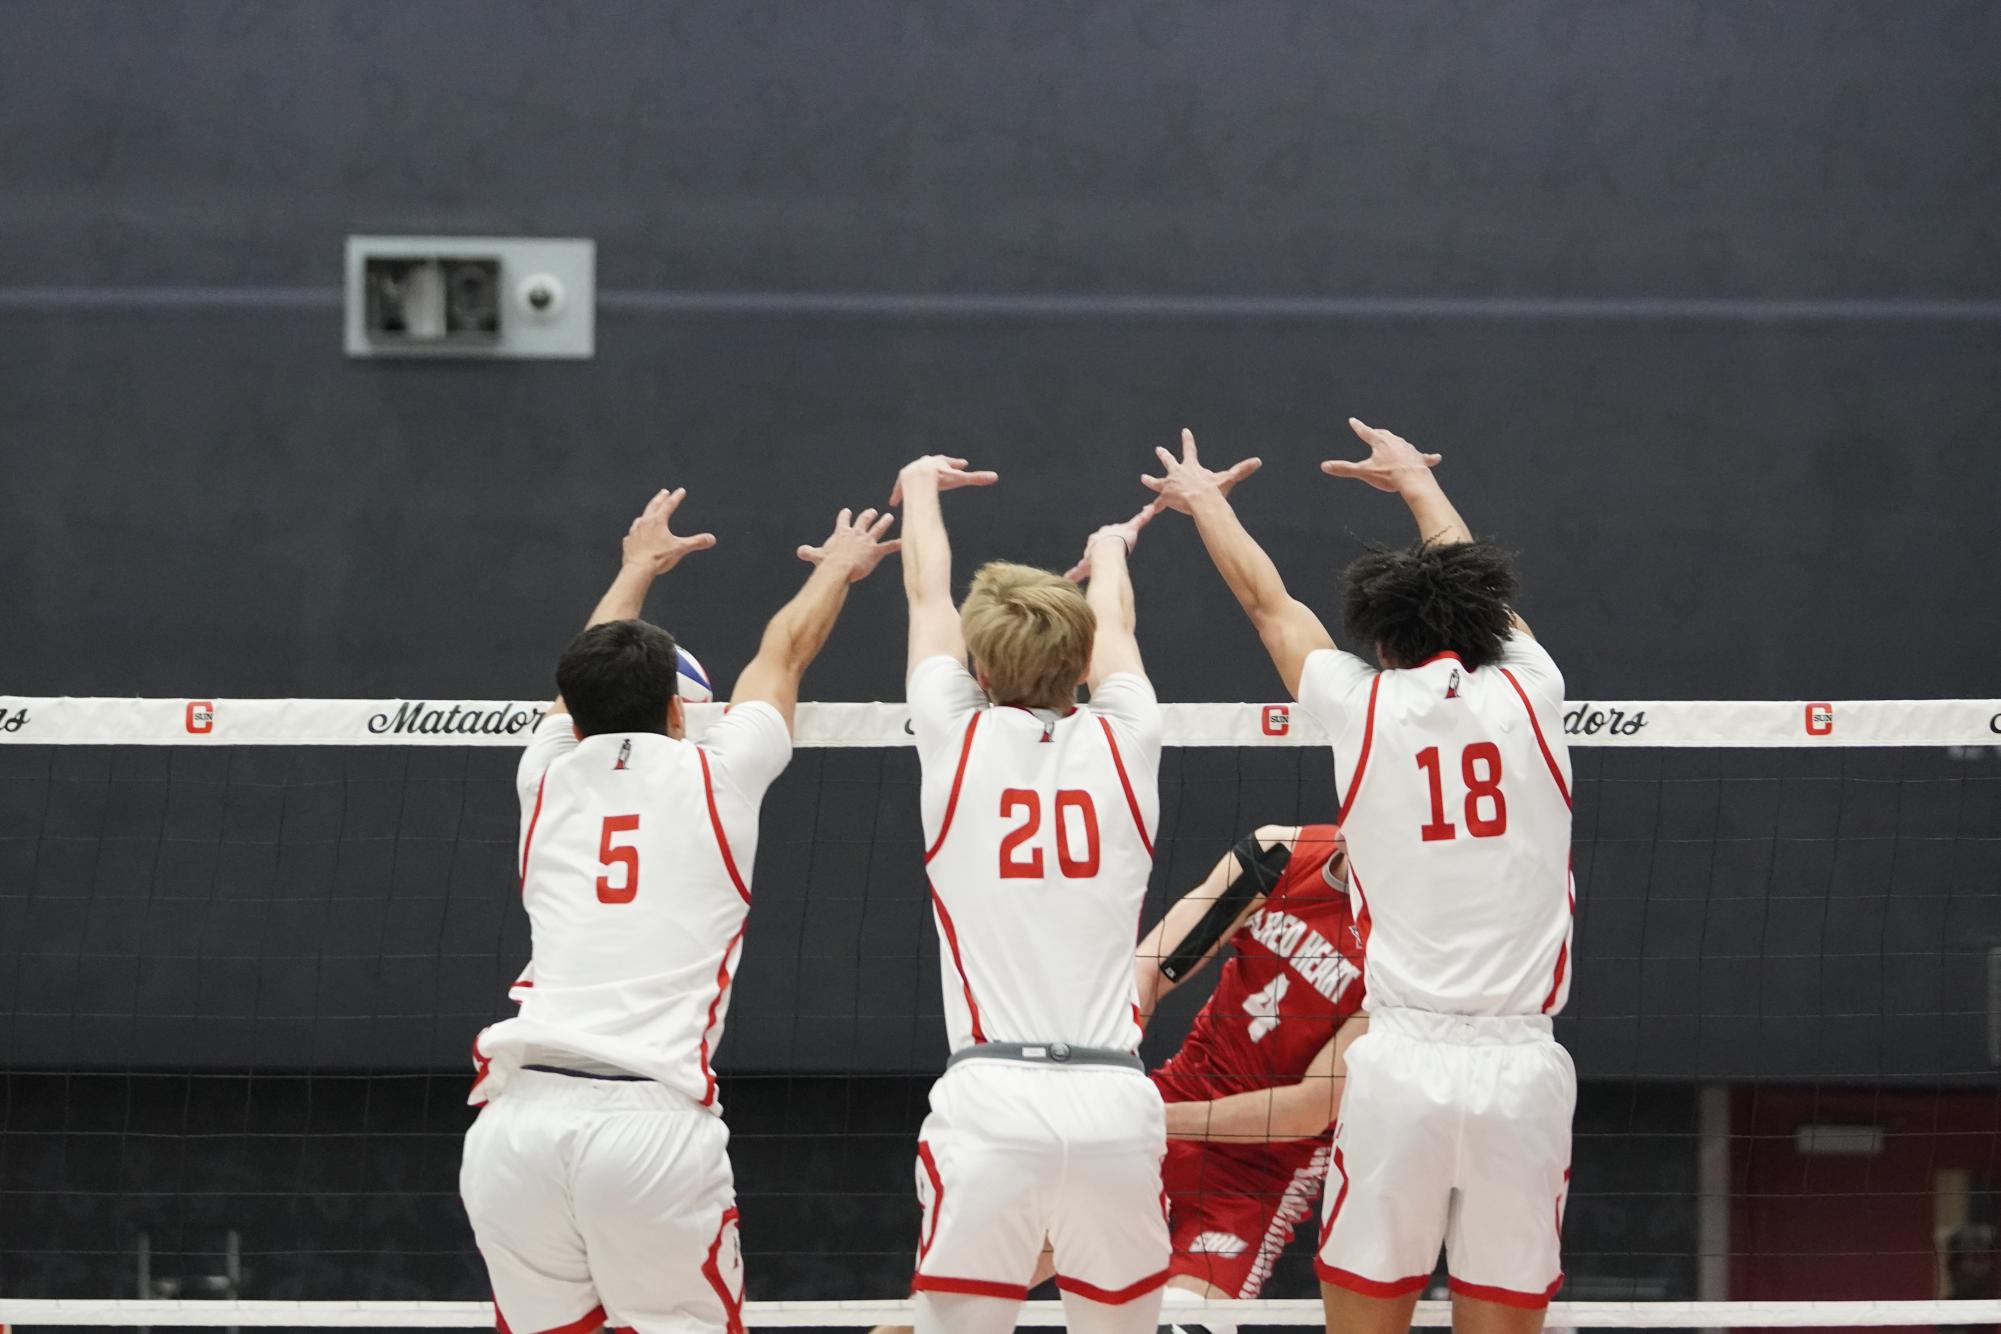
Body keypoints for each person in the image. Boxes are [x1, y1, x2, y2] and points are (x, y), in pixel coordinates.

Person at [1144, 421, 1576, 1334]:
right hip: (1520, 1064)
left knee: (1366, 1317)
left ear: (1380, 646)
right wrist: (1419, 482)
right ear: (1489, 627)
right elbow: (1481, 592)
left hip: (1400, 1062)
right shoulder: (1533, 690)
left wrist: (1206, 503)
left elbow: (1270, 604)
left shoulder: (1360, 704)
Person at [460, 488, 898, 1334]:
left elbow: (577, 681)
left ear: (575, 719)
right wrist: (839, 571)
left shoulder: (545, 773)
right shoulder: (718, 773)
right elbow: (783, 654)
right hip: (647, 1125)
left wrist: (633, 569)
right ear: (681, 713)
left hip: (512, 1127)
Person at [896, 453, 1171, 1334]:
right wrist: (1111, 549)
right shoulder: (1130, 737)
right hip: (1113, 1103)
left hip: (991, 1105)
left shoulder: (952, 733)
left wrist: (922, 488)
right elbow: (1116, 624)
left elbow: (926, 596)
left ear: (977, 668)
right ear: (1083, 664)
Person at [1140, 824, 1369, 1309]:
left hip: (1256, 1177)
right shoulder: (1279, 852)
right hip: (1173, 1098)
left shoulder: (1405, 949)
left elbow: (1310, 1108)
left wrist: (1150, 1118)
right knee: (1017, 1253)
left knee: (1183, 1319)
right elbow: (1149, 968)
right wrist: (1104, 1072)